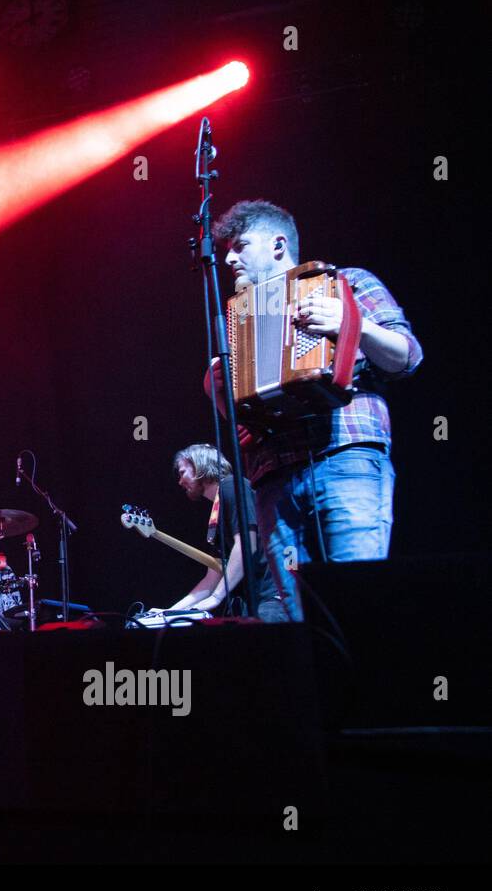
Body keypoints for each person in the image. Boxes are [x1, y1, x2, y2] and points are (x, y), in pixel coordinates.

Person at [206, 200, 423, 620]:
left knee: (359, 602)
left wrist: (351, 323)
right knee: (296, 618)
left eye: (240, 246)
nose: (229, 260)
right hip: (273, 478)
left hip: (344, 456)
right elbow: (246, 425)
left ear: (278, 245)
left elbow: (407, 356)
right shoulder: (240, 318)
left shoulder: (347, 282)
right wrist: (217, 393)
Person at [165, 444, 284, 621]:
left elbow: (246, 545)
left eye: (182, 472)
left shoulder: (231, 487)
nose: (180, 481)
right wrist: (168, 613)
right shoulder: (218, 509)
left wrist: (216, 597)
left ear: (199, 465)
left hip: (273, 597)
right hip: (256, 602)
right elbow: (212, 577)